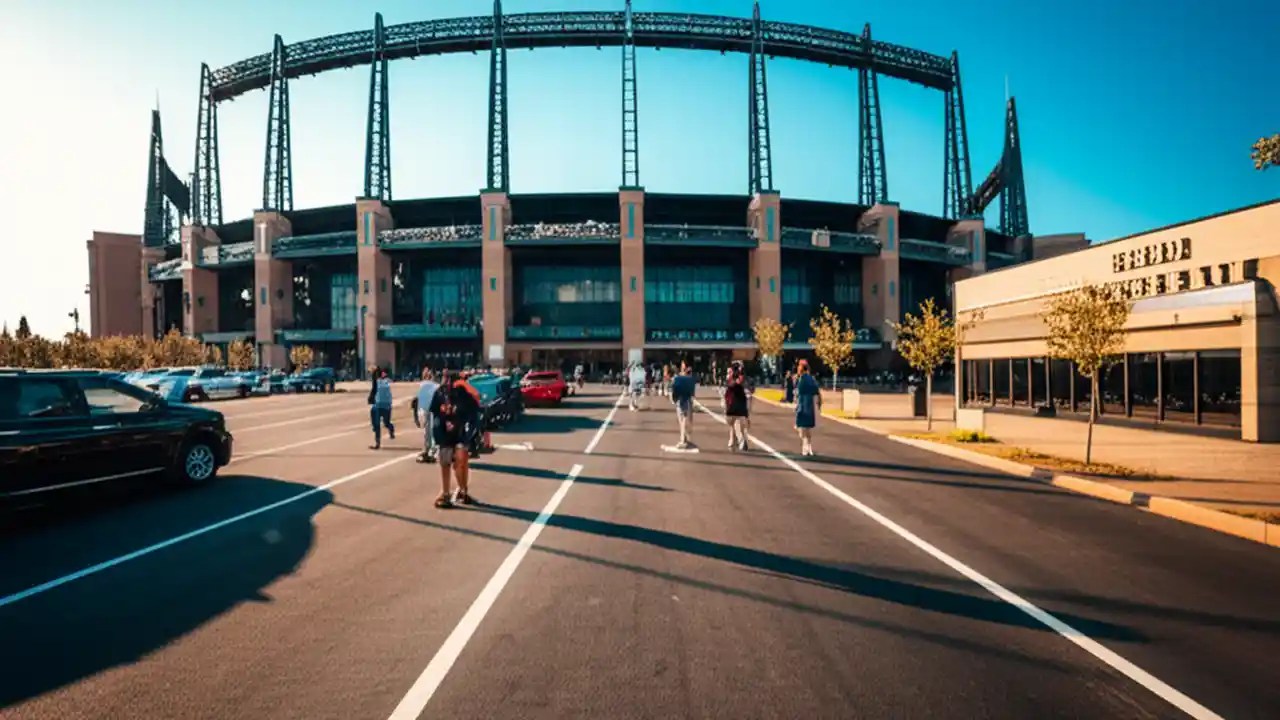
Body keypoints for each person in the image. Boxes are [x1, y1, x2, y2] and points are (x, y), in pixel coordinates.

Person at [429, 370, 482, 508]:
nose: (447, 382)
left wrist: (466, 428)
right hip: (444, 434)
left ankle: (462, 489)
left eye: (450, 379)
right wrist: (440, 424)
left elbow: (474, 409)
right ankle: (446, 492)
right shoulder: (439, 393)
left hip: (460, 433)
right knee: (445, 463)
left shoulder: (462, 393)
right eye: (445, 378)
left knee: (460, 462)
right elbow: (434, 412)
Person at [411, 368, 440, 463]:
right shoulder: (435, 386)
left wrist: (417, 415)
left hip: (427, 410)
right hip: (431, 410)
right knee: (430, 431)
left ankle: (430, 451)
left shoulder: (424, 385)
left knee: (429, 431)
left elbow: (418, 401)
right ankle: (431, 451)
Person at [794, 360, 821, 456]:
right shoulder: (811, 379)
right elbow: (816, 391)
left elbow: (797, 393)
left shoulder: (801, 379)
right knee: (807, 428)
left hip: (802, 404)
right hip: (809, 405)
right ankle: (809, 447)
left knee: (801, 428)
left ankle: (805, 448)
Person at [670, 362, 697, 450]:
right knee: (684, 419)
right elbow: (692, 392)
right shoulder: (690, 379)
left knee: (682, 419)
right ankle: (684, 437)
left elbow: (674, 390)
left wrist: (674, 399)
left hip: (681, 400)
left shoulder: (678, 378)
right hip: (687, 400)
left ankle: (683, 439)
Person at [722, 366, 750, 451]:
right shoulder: (734, 384)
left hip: (735, 410)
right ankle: (733, 441)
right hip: (736, 410)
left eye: (730, 372)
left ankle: (740, 441)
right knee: (734, 425)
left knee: (736, 425)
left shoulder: (735, 384)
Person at [370, 367, 395, 449]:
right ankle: (378, 442)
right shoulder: (382, 382)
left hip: (384, 405)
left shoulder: (384, 382)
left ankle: (390, 429)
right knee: (380, 422)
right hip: (380, 405)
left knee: (383, 423)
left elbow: (374, 387)